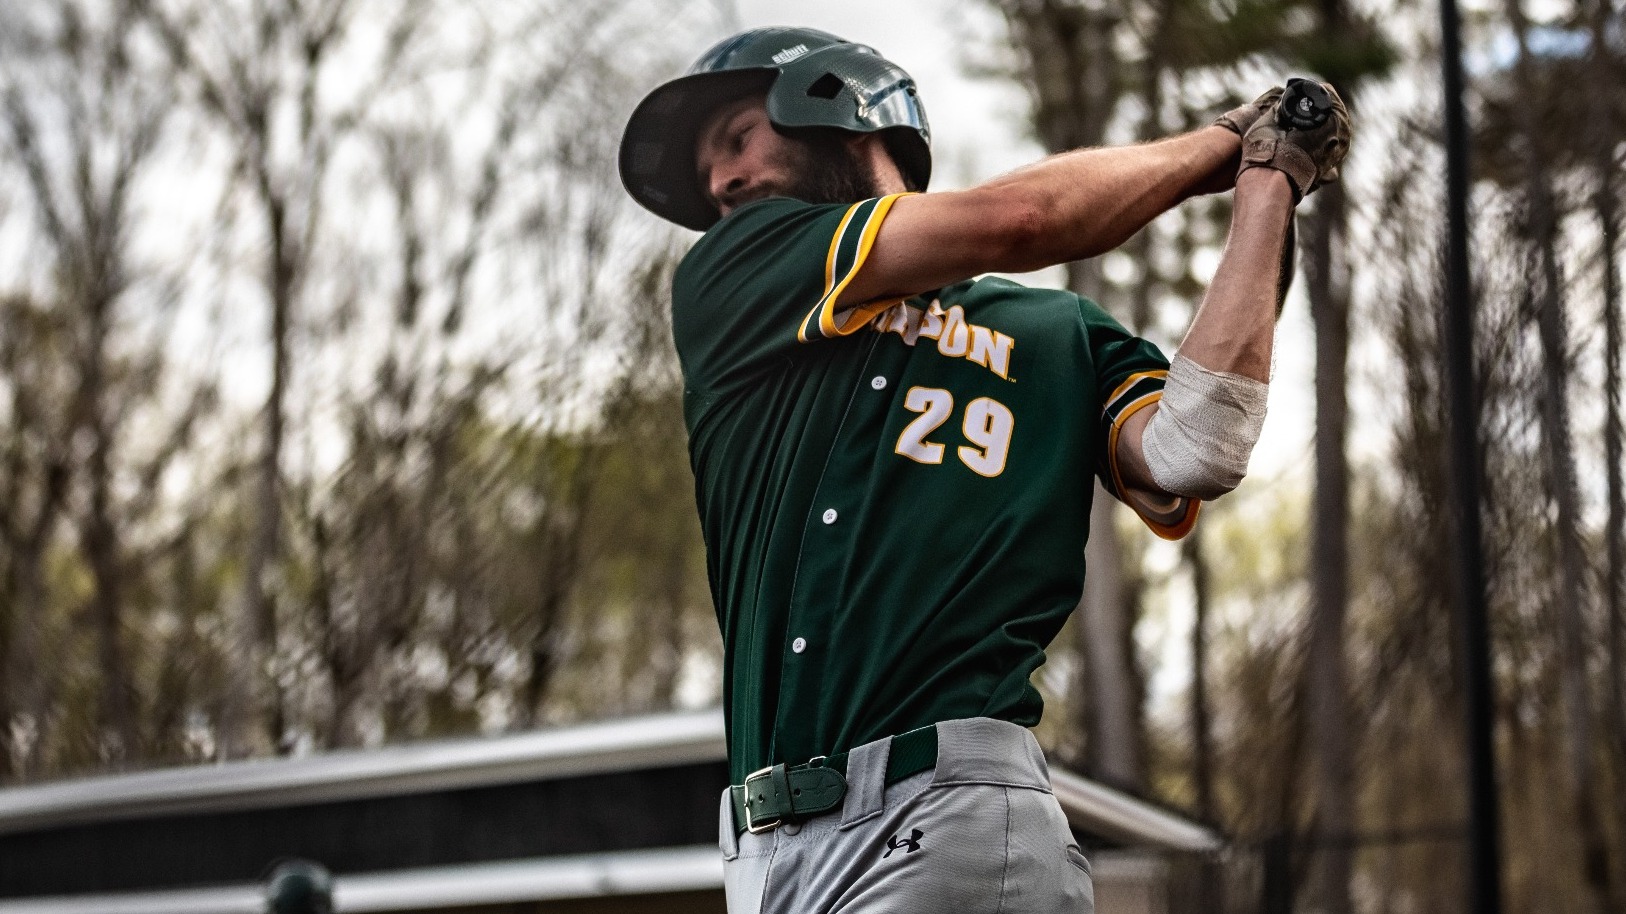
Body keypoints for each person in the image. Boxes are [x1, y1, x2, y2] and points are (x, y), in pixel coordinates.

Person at [618, 26, 1349, 914]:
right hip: (763, 857)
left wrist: (1269, 178)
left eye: (736, 140)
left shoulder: (1060, 335)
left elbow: (1196, 446)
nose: (720, 183)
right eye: (706, 171)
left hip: (944, 821)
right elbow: (1019, 220)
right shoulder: (736, 276)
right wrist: (1228, 140)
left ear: (835, 105)